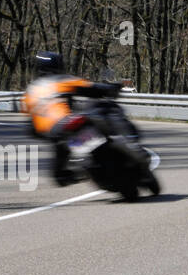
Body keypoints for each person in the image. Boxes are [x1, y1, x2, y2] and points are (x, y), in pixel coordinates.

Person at [22, 51, 123, 186]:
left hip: (54, 133)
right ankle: (107, 158)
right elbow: (92, 88)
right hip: (69, 121)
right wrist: (112, 88)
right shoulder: (61, 80)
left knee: (59, 176)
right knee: (98, 122)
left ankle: (83, 172)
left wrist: (46, 134)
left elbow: (31, 127)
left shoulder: (30, 91)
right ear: (58, 64)